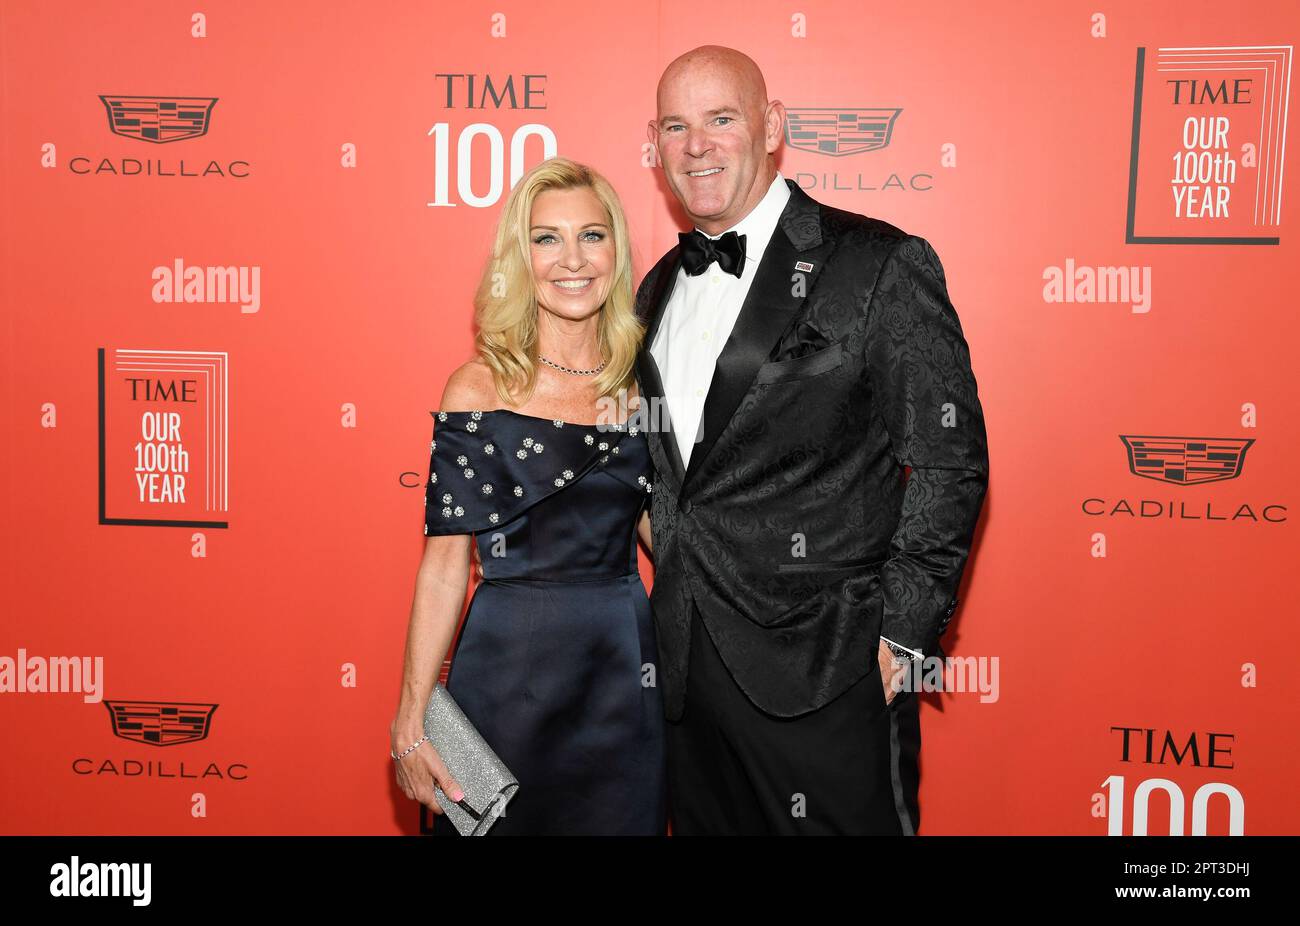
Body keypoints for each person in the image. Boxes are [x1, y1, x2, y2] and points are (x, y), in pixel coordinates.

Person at [635, 46, 990, 834]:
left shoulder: (875, 262)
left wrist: (903, 633)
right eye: (675, 126)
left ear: (772, 128)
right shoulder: (656, 286)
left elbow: (948, 457)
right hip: (687, 678)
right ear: (654, 144)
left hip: (829, 672)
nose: (696, 145)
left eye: (721, 119)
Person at [390, 156, 666, 835]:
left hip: (623, 676)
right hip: (504, 671)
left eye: (591, 235)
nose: (572, 258)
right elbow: (446, 564)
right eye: (547, 238)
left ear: (616, 250)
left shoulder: (642, 383)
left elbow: (672, 537)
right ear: (521, 256)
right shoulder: (478, 388)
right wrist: (412, 714)